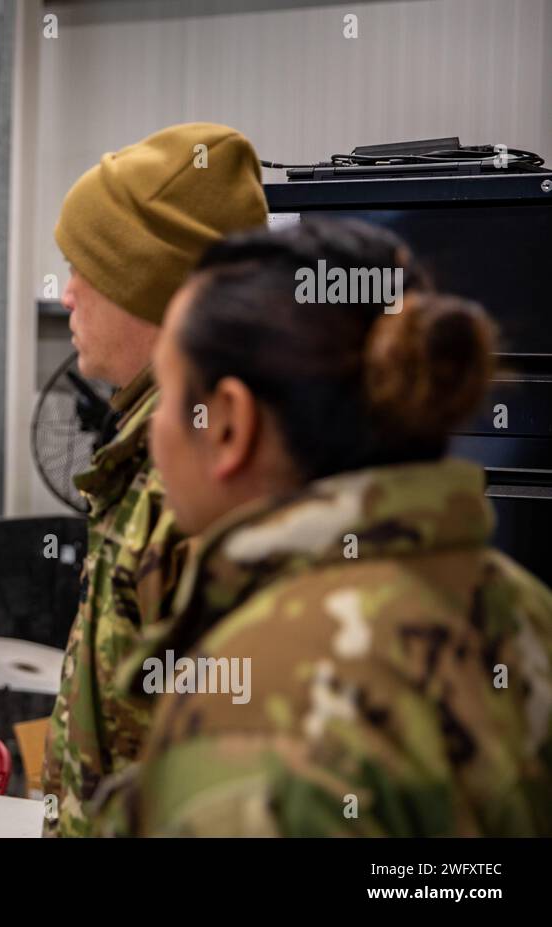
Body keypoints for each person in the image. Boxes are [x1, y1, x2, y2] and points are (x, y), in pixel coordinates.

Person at [93, 218, 552, 835]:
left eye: (170, 396)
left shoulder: (261, 696)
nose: (155, 431)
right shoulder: (526, 607)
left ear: (228, 422)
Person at [42, 123, 268, 835]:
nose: (67, 294)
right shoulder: (146, 460)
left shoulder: (194, 485)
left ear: (149, 290)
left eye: (86, 268)